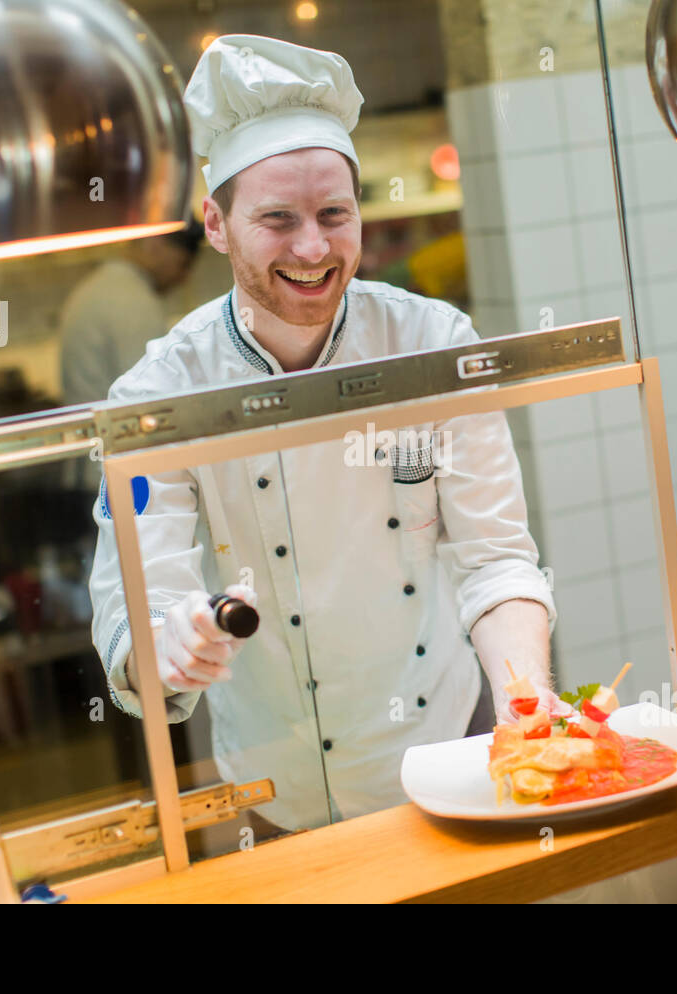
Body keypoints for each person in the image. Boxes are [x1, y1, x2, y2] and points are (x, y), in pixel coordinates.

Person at [87, 35, 558, 828]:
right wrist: (170, 649)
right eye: (278, 219)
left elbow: (497, 560)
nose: (314, 248)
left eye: (335, 214)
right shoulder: (163, 392)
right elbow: (136, 607)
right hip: (276, 797)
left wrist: (528, 700)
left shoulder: (432, 346)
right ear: (216, 224)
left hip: (450, 751)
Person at [59, 227, 204, 407]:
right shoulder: (135, 301)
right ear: (155, 245)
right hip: (113, 428)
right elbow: (152, 397)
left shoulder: (96, 285)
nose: (184, 278)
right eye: (183, 264)